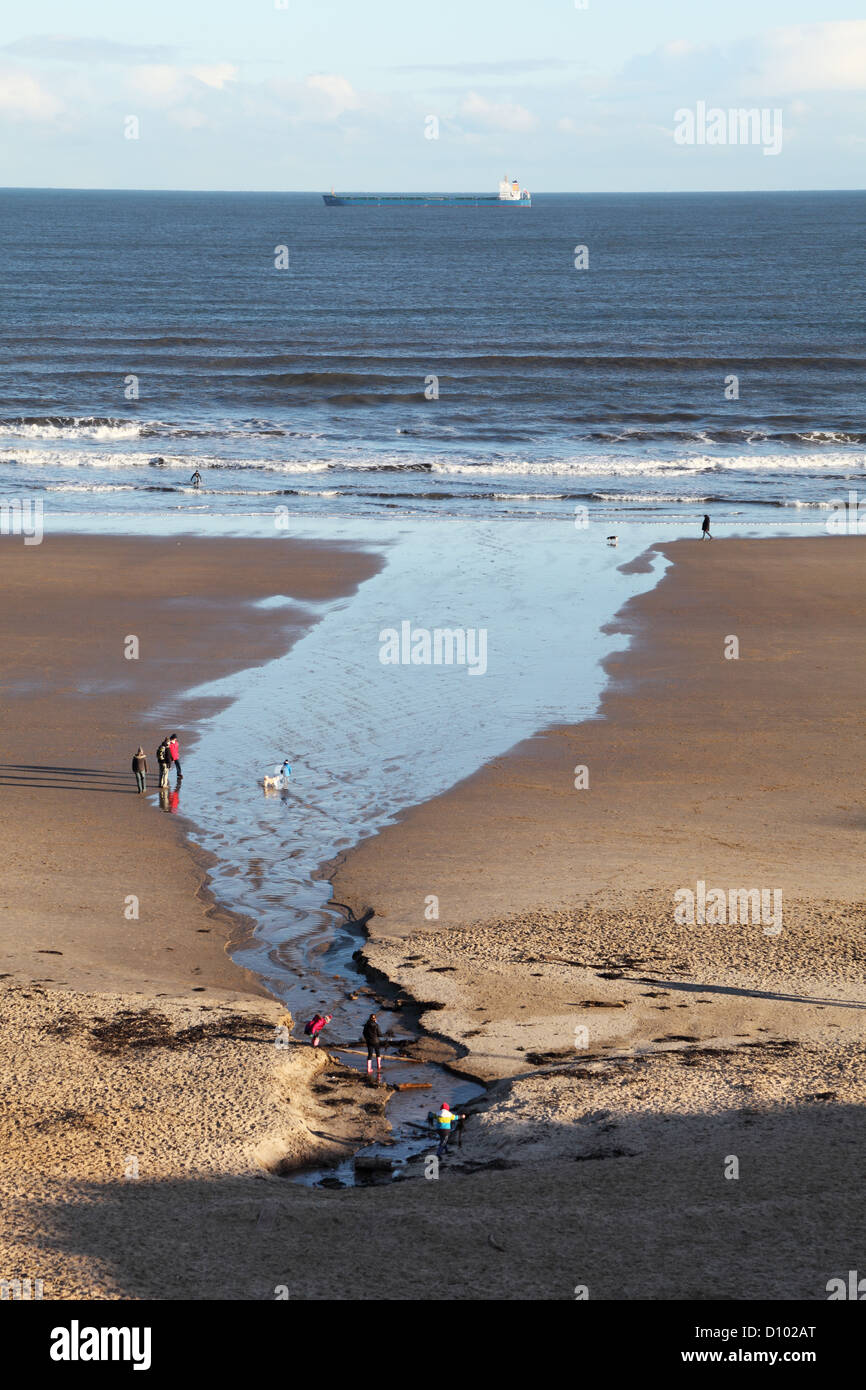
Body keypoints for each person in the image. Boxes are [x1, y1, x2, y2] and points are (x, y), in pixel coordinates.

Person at [363, 1012, 382, 1077]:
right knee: (378, 1053)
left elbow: (364, 1033)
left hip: (369, 1041)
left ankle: (369, 1069)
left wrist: (367, 1038)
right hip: (376, 1041)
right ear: (375, 1019)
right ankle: (379, 1066)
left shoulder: (366, 1025)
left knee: (370, 1054)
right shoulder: (376, 1025)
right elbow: (379, 1034)